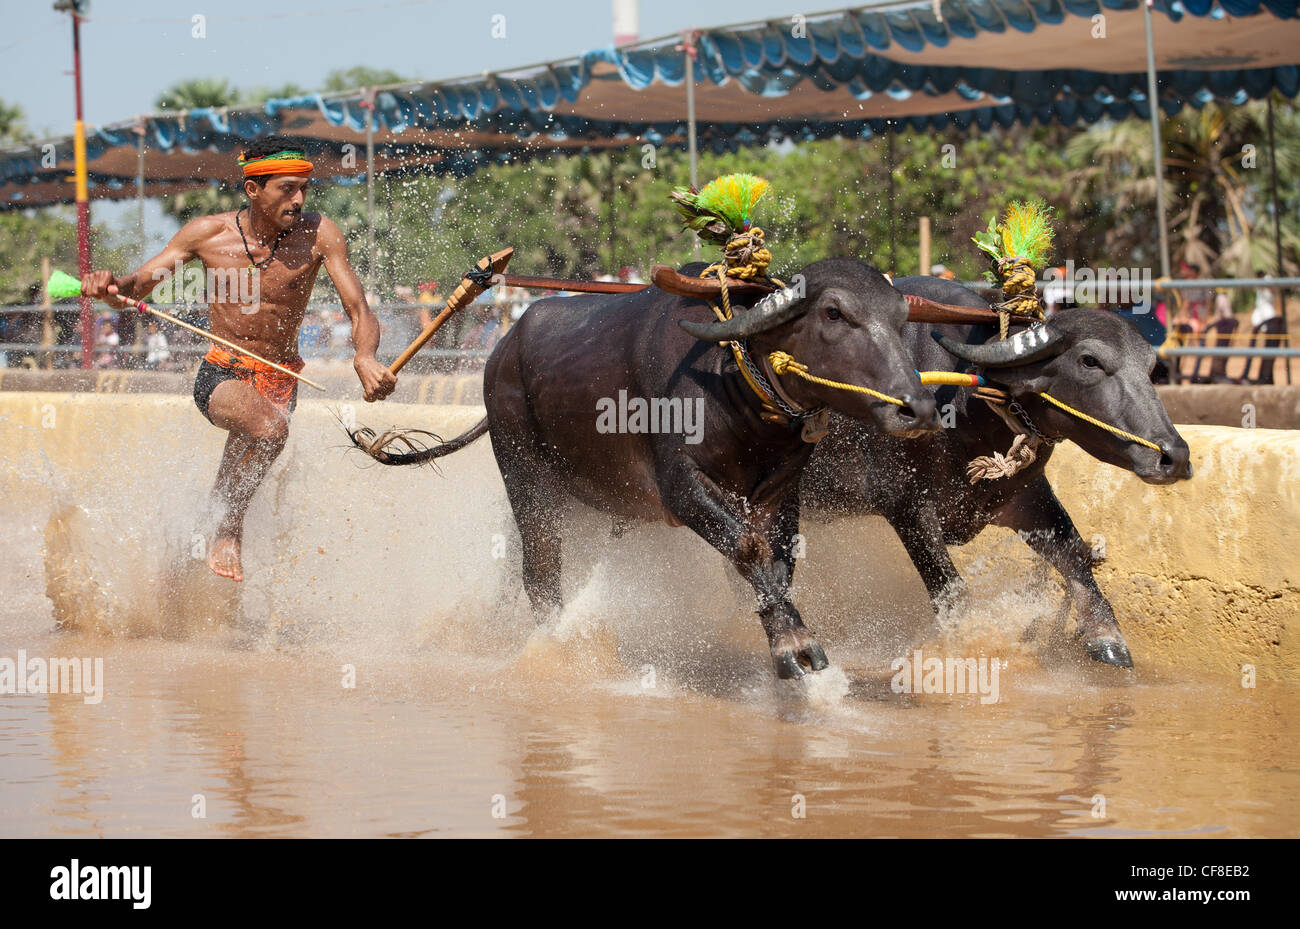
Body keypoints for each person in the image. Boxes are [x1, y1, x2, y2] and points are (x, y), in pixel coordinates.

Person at [81, 135, 397, 582]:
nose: (299, 199)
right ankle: (228, 530)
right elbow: (134, 289)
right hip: (223, 372)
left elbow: (358, 308)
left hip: (280, 379)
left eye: (304, 189)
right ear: (253, 190)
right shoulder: (207, 234)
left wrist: (365, 355)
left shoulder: (321, 234)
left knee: (248, 451)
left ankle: (193, 548)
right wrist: (110, 286)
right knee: (269, 429)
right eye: (286, 189)